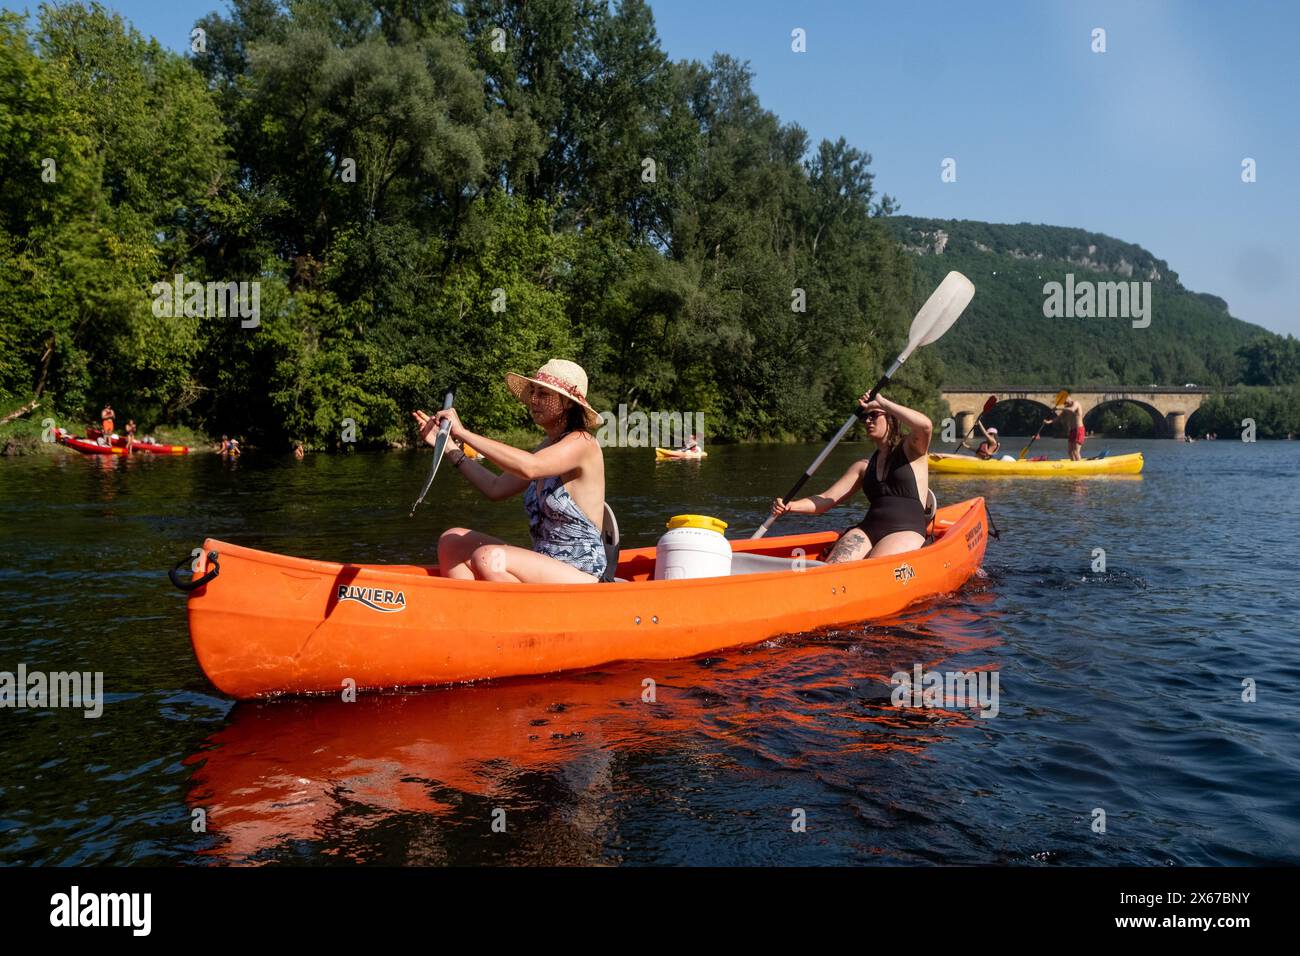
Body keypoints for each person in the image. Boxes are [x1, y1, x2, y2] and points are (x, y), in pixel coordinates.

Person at [416, 359, 607, 583]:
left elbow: (529, 467)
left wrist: (463, 433)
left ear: (566, 402)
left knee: (489, 558)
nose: (533, 400)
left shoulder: (583, 443)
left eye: (543, 394)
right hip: (546, 563)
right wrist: (448, 446)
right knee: (452, 541)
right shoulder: (548, 445)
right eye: (533, 392)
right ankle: (468, 612)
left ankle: (518, 615)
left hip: (583, 573)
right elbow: (495, 488)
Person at [768, 392, 932, 562]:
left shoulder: (911, 450)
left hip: (905, 530)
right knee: (833, 566)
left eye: (874, 415)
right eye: (865, 417)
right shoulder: (862, 467)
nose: (868, 420)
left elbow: (925, 426)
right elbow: (825, 500)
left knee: (871, 570)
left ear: (891, 417)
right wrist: (790, 506)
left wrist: (882, 402)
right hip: (868, 530)